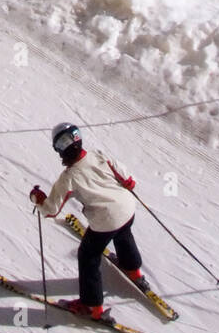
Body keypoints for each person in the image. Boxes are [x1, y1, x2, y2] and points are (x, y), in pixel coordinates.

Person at [29, 123, 149, 320]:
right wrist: (128, 183)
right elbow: (127, 179)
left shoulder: (68, 178)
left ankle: (92, 306)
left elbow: (51, 210)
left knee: (88, 256)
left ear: (60, 150)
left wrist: (38, 199)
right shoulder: (98, 155)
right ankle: (133, 269)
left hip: (105, 219)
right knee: (123, 232)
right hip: (128, 207)